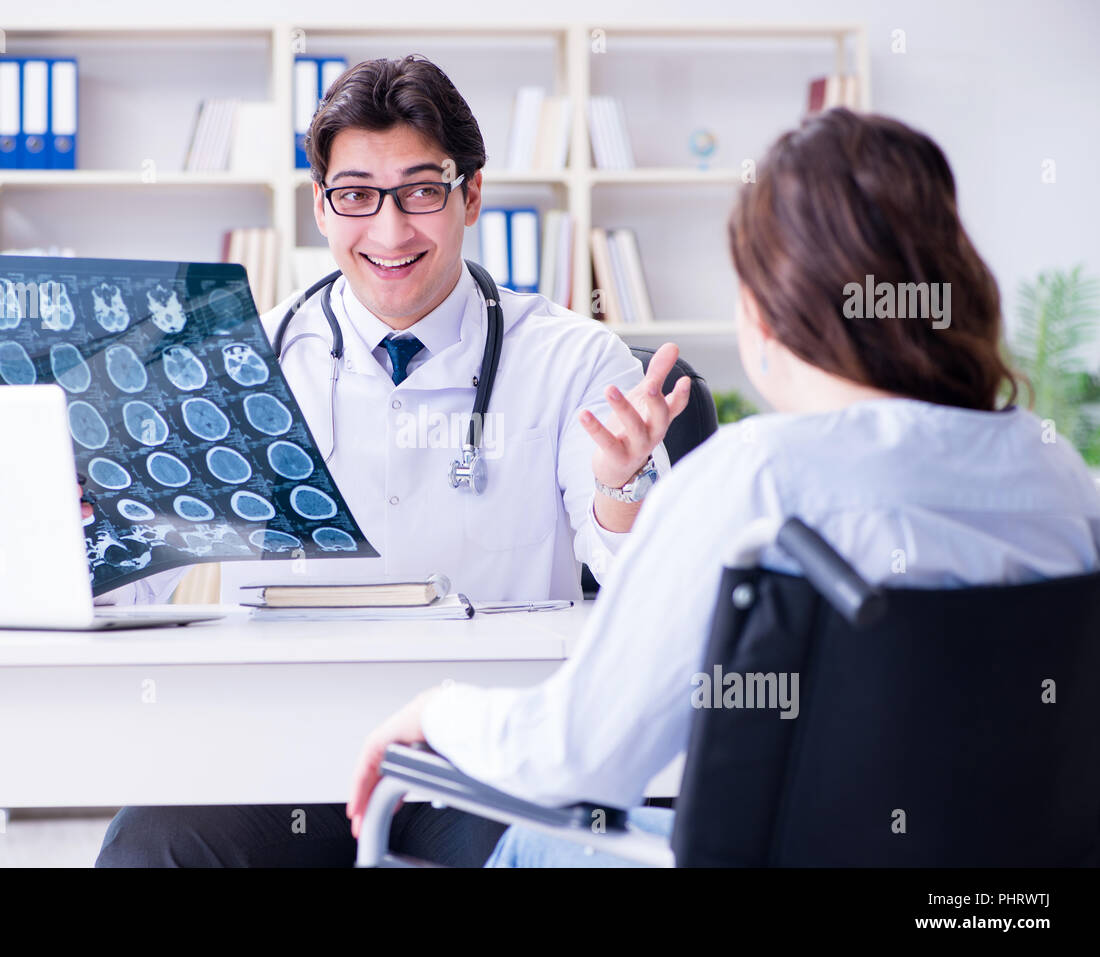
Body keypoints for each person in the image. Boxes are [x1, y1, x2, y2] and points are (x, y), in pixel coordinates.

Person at [346, 107, 1100, 866]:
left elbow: (580, 756)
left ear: (768, 307)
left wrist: (434, 710)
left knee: (534, 841)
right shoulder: (1060, 477)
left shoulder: (756, 483)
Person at [94, 55, 693, 867]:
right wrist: (91, 514)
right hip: (279, 753)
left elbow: (644, 592)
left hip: (477, 757)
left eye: (420, 190)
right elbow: (132, 587)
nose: (389, 230)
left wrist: (622, 487)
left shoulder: (574, 360)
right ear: (321, 205)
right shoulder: (236, 358)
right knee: (148, 848)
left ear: (470, 194)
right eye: (356, 196)